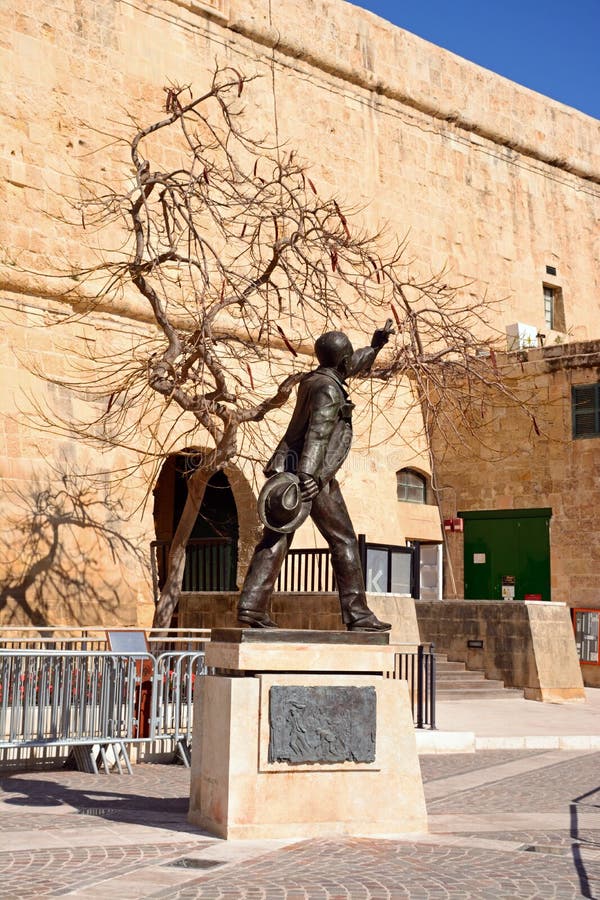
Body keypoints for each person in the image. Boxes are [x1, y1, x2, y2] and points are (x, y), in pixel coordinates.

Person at [238, 322, 394, 631]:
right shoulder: (327, 388)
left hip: (291, 468)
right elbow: (318, 433)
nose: (351, 362)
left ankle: (251, 606)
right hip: (310, 473)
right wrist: (310, 476)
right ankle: (358, 614)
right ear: (340, 360)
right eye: (348, 356)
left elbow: (349, 366)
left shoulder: (316, 378)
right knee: (344, 540)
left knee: (277, 537)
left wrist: (375, 347)